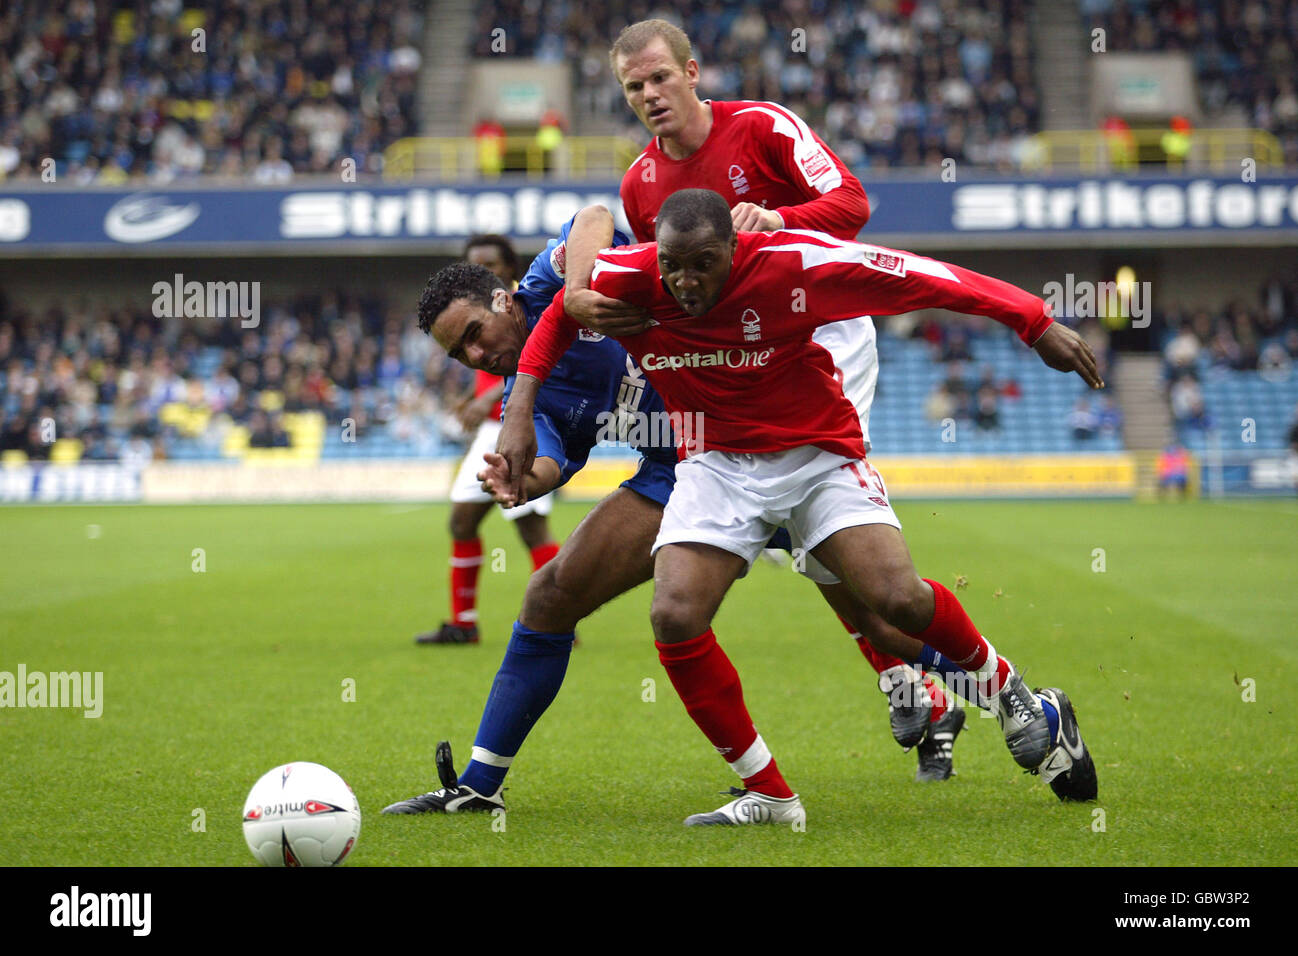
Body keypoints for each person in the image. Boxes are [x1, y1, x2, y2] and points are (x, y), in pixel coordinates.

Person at [497, 189, 1102, 823]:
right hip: (713, 462)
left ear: (736, 247)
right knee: (675, 614)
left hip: (817, 453)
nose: (685, 282)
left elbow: (927, 279)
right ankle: (771, 796)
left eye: (703, 263)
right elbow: (561, 318)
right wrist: (518, 412)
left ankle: (1012, 693)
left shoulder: (795, 264)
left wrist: (1033, 321)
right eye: (673, 265)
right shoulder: (631, 277)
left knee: (895, 600)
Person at [563, 18, 959, 775]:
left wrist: (777, 221)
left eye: (660, 78)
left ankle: (945, 681)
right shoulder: (640, 185)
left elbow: (851, 204)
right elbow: (674, 294)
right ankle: (916, 681)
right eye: (633, 87)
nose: (649, 95)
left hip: (823, 337)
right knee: (803, 543)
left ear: (692, 71)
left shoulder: (764, 128)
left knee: (815, 531)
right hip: (735, 360)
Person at [414, 235, 560, 645]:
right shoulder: (469, 313)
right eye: (476, 263)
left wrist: (487, 401)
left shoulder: (520, 306)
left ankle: (559, 616)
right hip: (490, 430)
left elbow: (533, 357)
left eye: (493, 263)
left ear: (510, 270)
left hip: (526, 423)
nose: (487, 269)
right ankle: (464, 622)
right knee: (462, 520)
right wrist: (475, 401)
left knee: (532, 528)